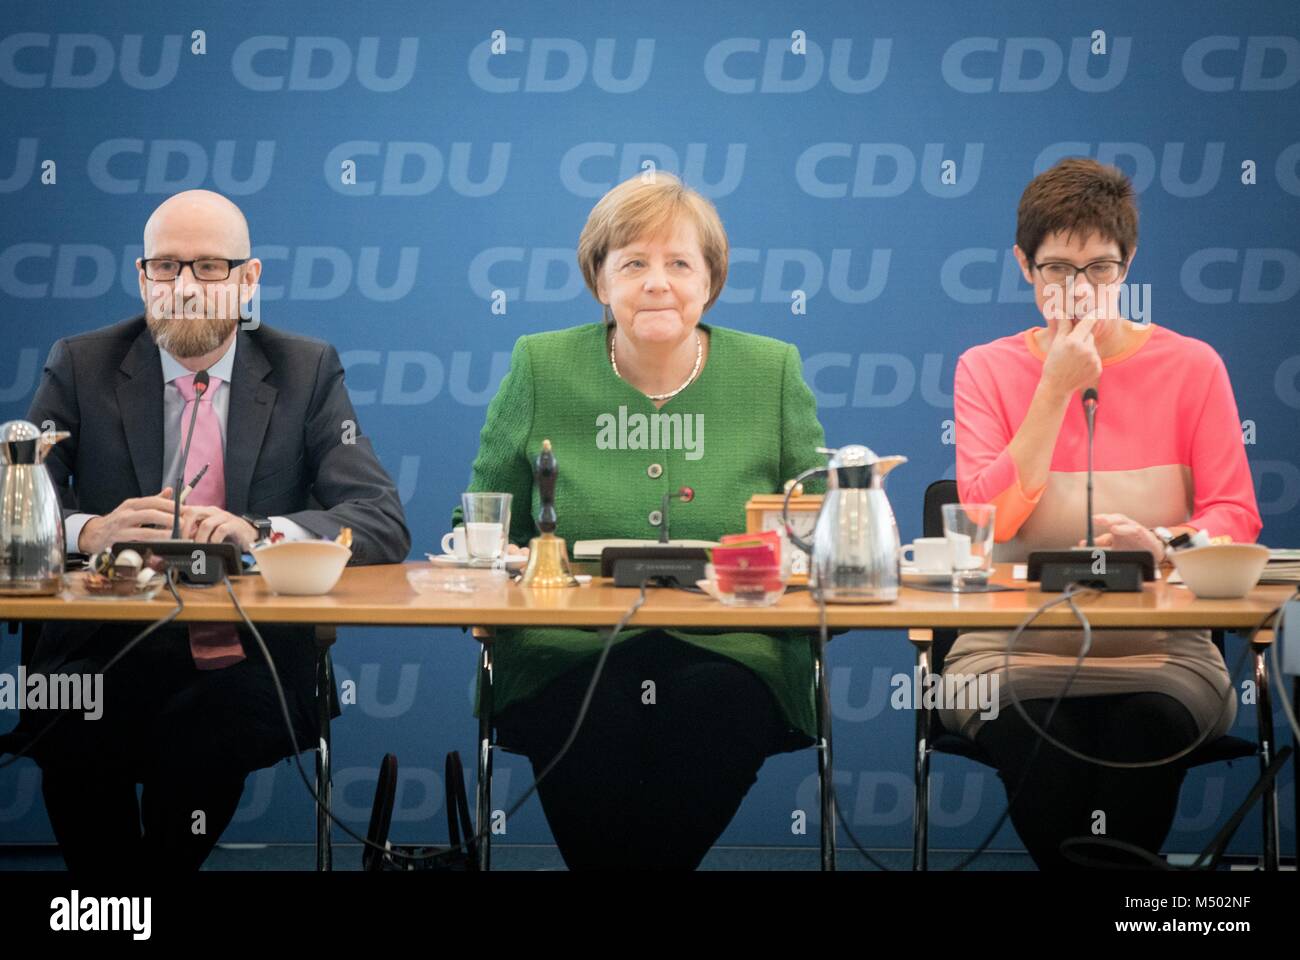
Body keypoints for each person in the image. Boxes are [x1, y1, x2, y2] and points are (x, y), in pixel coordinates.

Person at [21, 189, 411, 870]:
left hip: (241, 655)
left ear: (248, 279)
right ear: (142, 278)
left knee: (211, 721)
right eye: (166, 268)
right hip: (102, 645)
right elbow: (17, 504)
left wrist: (255, 533)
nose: (186, 289)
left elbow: (378, 516)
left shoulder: (305, 370)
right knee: (76, 717)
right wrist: (90, 532)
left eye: (209, 268)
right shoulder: (81, 364)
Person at [458, 172, 828, 869]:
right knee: (591, 717)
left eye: (679, 263)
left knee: (713, 708)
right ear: (600, 281)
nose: (657, 283)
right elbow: (483, 522)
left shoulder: (771, 370)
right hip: (566, 646)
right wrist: (511, 561)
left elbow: (818, 526)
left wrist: (779, 559)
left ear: (710, 281)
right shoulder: (540, 364)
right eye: (632, 263)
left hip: (734, 647)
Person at [941, 158, 1262, 869]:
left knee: (1143, 727)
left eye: (1100, 268)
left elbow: (1235, 514)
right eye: (1056, 268)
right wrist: (1053, 391)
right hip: (1006, 652)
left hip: (1164, 653)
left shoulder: (1193, 366)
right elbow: (983, 522)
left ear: (1129, 265)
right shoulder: (984, 370)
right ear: (1024, 266)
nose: (1078, 291)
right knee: (1040, 732)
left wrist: (1171, 545)